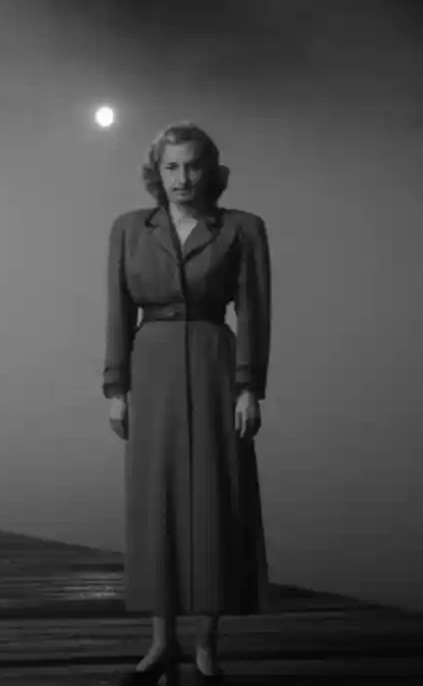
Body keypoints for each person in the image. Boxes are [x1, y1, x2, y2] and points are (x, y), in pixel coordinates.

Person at [103, 122, 272, 685]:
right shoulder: (130, 229)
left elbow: (254, 311)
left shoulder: (242, 229)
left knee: (215, 497)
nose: (182, 178)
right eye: (171, 166)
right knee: (157, 500)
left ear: (211, 170)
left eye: (193, 165)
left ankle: (206, 643)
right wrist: (115, 387)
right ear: (156, 172)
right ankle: (159, 642)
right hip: (150, 366)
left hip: (214, 362)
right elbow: (117, 312)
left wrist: (249, 386)